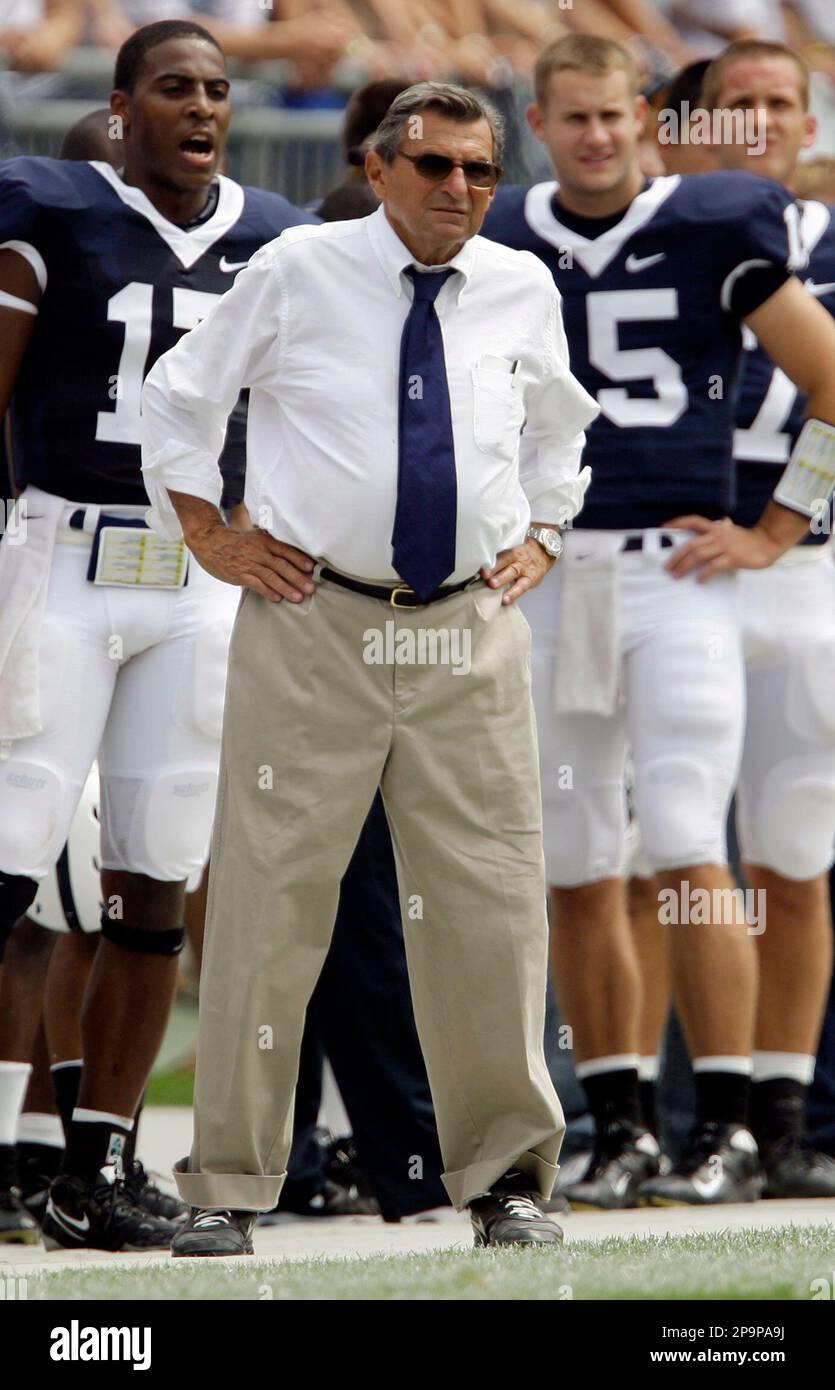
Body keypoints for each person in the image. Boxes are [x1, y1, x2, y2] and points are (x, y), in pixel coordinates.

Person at [140, 78, 599, 1256]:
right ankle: (226, 1185)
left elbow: (563, 427)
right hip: (314, 621)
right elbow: (180, 398)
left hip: (466, 628)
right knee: (266, 901)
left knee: (491, 905)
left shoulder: (521, 284)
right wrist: (211, 534)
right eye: (435, 165)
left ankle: (509, 1181)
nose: (458, 190)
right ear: (382, 166)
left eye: (481, 172)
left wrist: (546, 528)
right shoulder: (297, 266)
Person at [482, 33, 835, 1208]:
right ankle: (623, 1120)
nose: (592, 138)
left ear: (642, 116)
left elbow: (829, 376)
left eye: (610, 118)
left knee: (691, 838)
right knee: (579, 863)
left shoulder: (714, 219)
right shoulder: (503, 231)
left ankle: (725, 1123)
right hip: (553, 575)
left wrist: (779, 529)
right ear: (540, 123)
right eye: (570, 119)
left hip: (676, 572)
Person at [0, 18, 316, 1252]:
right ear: (122, 107)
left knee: (154, 885)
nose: (201, 107)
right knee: (16, 852)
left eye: (218, 90)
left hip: (193, 578)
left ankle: (98, 1164)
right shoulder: (55, 204)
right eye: (174, 87)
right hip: (62, 556)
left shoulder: (277, 241)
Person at [701, 38, 835, 1198]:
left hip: (794, 573)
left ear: (809, 118)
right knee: (668, 858)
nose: (758, 122)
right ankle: (681, 1119)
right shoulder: (663, 229)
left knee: (790, 859)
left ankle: (782, 1121)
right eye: (734, 106)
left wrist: (782, 527)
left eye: (777, 104)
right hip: (666, 565)